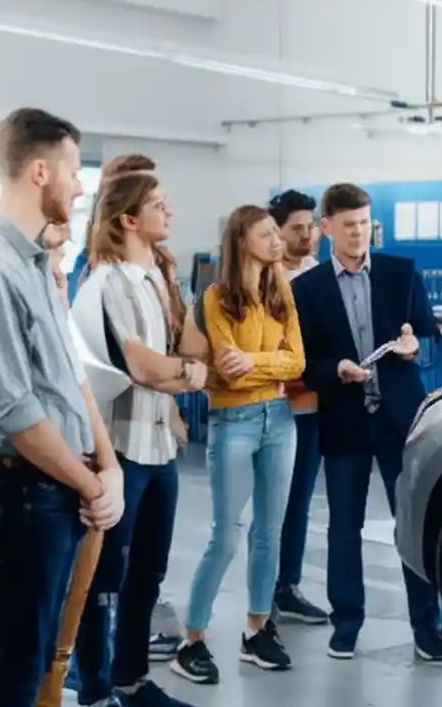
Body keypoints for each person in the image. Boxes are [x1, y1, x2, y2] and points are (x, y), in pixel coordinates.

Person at [0, 107, 125, 707]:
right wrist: (90, 484)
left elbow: (69, 377)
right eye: (73, 173)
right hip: (25, 495)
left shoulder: (35, 264)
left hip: (56, 487)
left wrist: (106, 464)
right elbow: (15, 411)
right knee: (17, 672)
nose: (78, 188)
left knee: (46, 659)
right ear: (40, 171)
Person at [291, 183, 442, 663]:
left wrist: (415, 346)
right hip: (344, 421)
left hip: (400, 420)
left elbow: (429, 335)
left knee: (414, 525)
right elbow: (304, 363)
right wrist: (334, 370)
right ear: (327, 229)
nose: (359, 234)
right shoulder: (307, 288)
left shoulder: (401, 274)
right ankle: (346, 625)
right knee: (344, 527)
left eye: (364, 224)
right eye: (348, 226)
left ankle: (428, 629)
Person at [69, 166, 205, 707]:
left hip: (160, 448)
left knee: (148, 571)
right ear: (129, 218)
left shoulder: (156, 280)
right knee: (107, 576)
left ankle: (131, 678)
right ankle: (96, 685)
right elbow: (146, 368)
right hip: (120, 450)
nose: (169, 212)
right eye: (159, 204)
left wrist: (186, 359)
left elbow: (193, 352)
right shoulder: (110, 282)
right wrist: (188, 374)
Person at [173, 205, 304, 685]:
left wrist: (255, 361)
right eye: (267, 234)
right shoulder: (215, 298)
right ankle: (193, 640)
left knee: (269, 533)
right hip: (234, 421)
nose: (277, 241)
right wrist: (264, 362)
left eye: (277, 233)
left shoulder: (281, 290)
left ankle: (256, 630)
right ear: (242, 240)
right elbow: (227, 370)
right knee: (225, 536)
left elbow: (297, 363)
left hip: (280, 419)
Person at [264, 189, 330, 624]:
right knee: (271, 503)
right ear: (277, 232)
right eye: (297, 229)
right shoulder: (264, 282)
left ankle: (287, 585)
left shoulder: (321, 276)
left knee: (300, 501)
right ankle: (262, 588)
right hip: (270, 407)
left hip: (312, 406)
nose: (306, 236)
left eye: (310, 227)